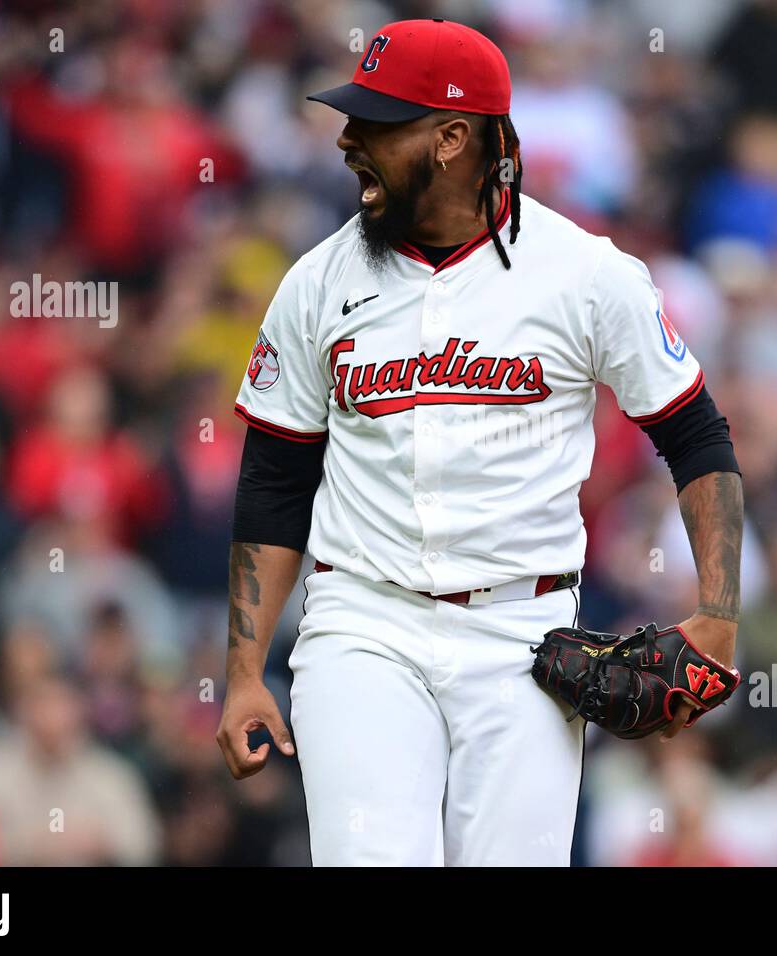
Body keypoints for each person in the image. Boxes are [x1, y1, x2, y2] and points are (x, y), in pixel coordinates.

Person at [214, 18, 744, 866]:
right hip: (362, 624)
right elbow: (274, 481)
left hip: (523, 635)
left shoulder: (585, 273)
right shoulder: (317, 280)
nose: (348, 139)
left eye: (377, 124)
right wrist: (244, 672)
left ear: (454, 138)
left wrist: (717, 615)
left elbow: (695, 435)